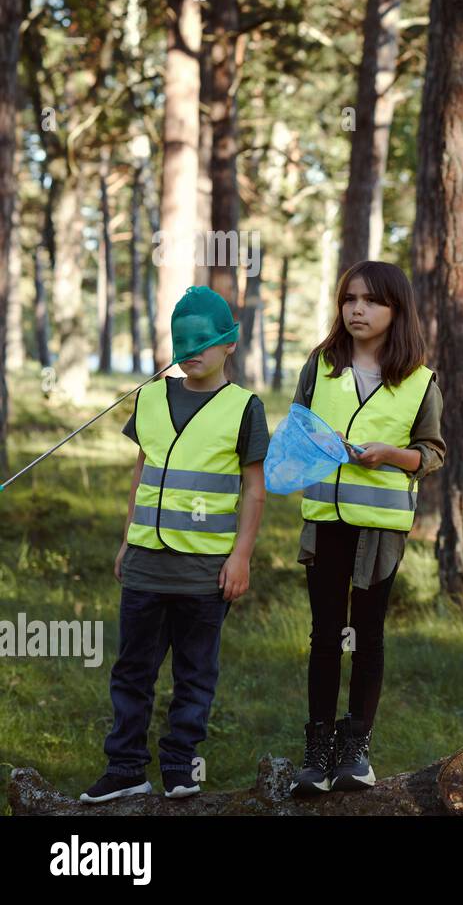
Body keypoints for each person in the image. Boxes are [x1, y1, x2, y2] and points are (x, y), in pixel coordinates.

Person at [81, 286, 268, 803]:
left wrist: (241, 555)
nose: (192, 351)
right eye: (182, 341)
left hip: (204, 570)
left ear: (229, 344)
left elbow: (255, 486)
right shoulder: (149, 398)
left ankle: (182, 768)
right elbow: (143, 471)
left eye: (204, 342)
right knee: (133, 670)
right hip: (144, 562)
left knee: (194, 673)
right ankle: (125, 769)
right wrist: (126, 542)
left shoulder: (244, 408)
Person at [288, 260, 446, 796]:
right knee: (325, 636)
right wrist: (317, 443)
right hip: (326, 523)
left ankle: (355, 751)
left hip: (381, 528)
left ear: (396, 311)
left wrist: (391, 455)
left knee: (368, 636)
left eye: (371, 301)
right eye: (350, 299)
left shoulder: (420, 381)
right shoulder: (320, 365)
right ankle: (316, 751)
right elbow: (296, 429)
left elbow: (431, 453)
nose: (357, 309)